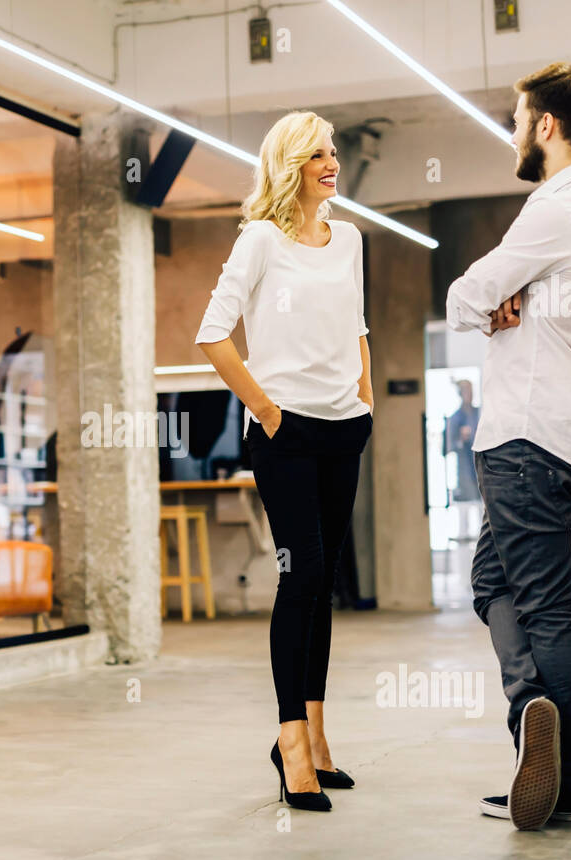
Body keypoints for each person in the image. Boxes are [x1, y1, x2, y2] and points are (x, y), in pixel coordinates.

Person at [445, 62, 571, 830]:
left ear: (546, 125)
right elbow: (495, 296)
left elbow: (464, 295)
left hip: (524, 435)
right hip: (559, 435)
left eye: (518, 119)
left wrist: (491, 304)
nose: (514, 132)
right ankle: (543, 738)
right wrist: (502, 301)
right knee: (493, 581)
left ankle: (570, 770)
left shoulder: (554, 206)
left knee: (546, 610)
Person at [197, 110, 373, 813]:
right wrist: (269, 412)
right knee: (298, 581)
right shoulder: (260, 241)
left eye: (333, 153)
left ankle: (319, 740)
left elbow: (357, 328)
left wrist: (364, 400)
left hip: (343, 430)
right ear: (288, 166)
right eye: (317, 156)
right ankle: (290, 745)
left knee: (323, 583)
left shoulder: (351, 238)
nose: (332, 164)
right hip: (286, 435)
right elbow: (212, 335)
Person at [445, 379, 482, 537]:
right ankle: (465, 534)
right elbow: (449, 446)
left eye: (472, 390)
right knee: (466, 505)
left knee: (482, 505)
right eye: (467, 391)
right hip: (465, 468)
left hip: (480, 466)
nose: (470, 394)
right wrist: (461, 438)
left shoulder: (480, 413)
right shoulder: (455, 418)